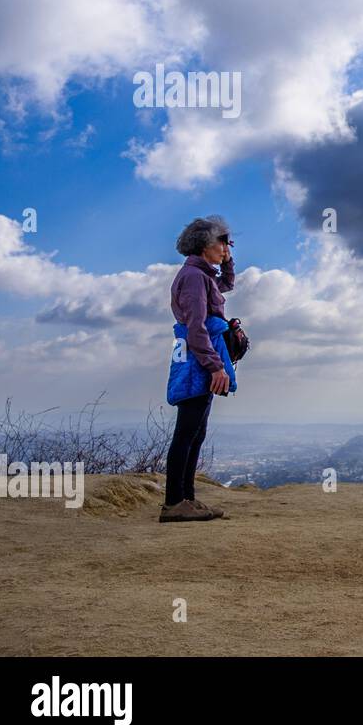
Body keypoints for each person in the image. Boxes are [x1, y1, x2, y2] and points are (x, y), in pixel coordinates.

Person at [160, 215, 236, 523]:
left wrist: (228, 261)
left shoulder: (202, 275)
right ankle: (173, 503)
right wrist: (215, 366)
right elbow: (196, 327)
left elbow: (225, 285)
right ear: (205, 244)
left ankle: (187, 499)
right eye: (222, 242)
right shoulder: (193, 277)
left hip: (198, 358)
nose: (226, 247)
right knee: (187, 431)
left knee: (196, 431)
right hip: (197, 360)